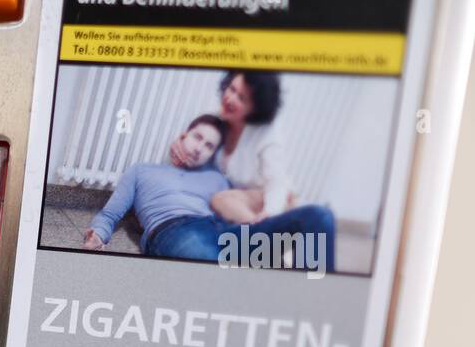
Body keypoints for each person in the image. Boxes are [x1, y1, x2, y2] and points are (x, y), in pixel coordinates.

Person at [83, 114, 336, 270]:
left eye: (208, 146)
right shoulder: (142, 171)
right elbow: (109, 214)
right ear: (183, 136)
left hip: (225, 233)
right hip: (177, 230)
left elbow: (249, 195)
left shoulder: (215, 177)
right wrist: (98, 235)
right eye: (197, 138)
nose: (198, 148)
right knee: (215, 280)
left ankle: (314, 305)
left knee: (319, 216)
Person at [207, 70, 293, 223]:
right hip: (241, 202)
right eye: (231, 89)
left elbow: (277, 182)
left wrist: (270, 212)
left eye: (241, 98)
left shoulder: (267, 133)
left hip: (268, 198)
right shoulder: (221, 121)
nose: (230, 99)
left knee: (220, 200)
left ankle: (265, 232)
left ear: (255, 109)